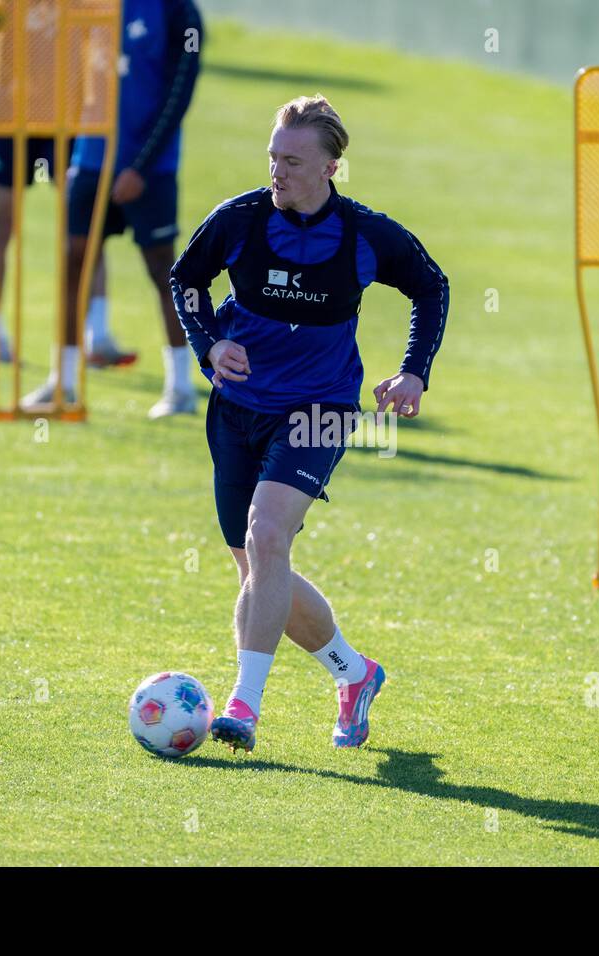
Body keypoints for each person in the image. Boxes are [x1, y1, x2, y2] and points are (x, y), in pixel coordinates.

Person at [170, 95, 450, 752]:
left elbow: (430, 285)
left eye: (293, 161)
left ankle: (243, 707)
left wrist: (414, 371)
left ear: (330, 168)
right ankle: (355, 674)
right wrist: (209, 344)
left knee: (267, 535)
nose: (277, 171)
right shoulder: (239, 220)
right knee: (258, 564)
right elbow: (187, 279)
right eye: (273, 157)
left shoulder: (364, 234)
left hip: (320, 410)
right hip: (238, 408)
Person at [22, 0, 204, 418]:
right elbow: (69, 75)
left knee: (164, 271)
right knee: (73, 262)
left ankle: (180, 388)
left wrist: (141, 165)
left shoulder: (179, 12)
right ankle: (63, 382)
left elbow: (179, 93)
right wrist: (66, 153)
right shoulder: (89, 5)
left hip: (150, 169)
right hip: (90, 160)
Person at [0, 136, 55, 363]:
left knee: (84, 220)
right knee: (0, 223)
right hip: (8, 121)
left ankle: (94, 334)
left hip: (63, 118)